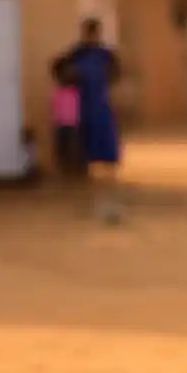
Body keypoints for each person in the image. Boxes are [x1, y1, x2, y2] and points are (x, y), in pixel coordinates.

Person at [67, 19, 123, 222]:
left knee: (106, 135)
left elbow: (116, 73)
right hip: (83, 103)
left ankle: (109, 171)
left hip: (101, 101)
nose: (92, 36)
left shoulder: (105, 54)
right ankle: (86, 171)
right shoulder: (77, 53)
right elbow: (60, 71)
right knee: (85, 136)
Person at [51, 56, 84, 178]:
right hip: (60, 125)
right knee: (61, 148)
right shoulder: (58, 91)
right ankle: (64, 169)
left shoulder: (76, 91)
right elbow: (55, 109)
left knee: (74, 147)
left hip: (74, 125)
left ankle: (76, 169)